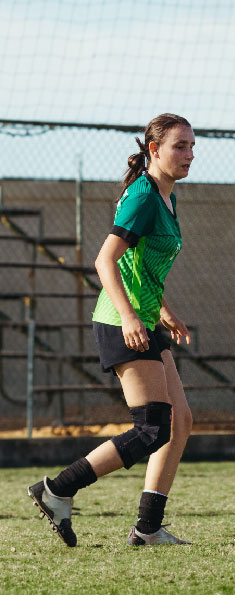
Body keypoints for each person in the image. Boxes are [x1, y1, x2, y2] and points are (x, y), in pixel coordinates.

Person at [28, 114, 196, 547]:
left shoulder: (166, 196)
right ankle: (58, 489)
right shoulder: (143, 196)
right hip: (122, 321)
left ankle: (148, 528)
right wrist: (129, 316)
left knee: (179, 421)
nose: (189, 154)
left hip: (145, 318)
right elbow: (105, 261)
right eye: (179, 146)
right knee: (151, 429)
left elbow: (142, 266)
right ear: (154, 149)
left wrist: (164, 310)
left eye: (192, 146)